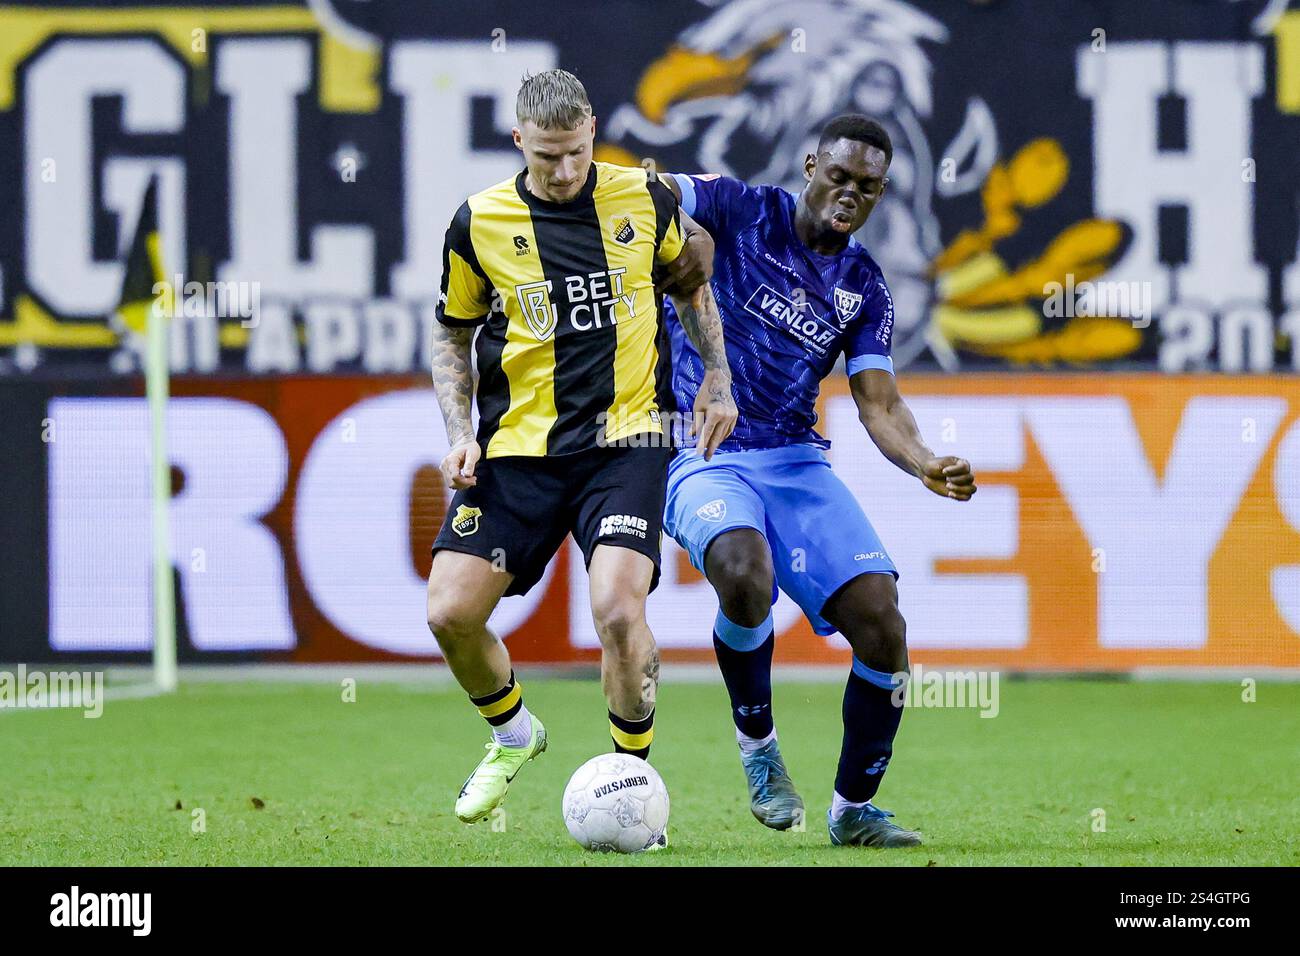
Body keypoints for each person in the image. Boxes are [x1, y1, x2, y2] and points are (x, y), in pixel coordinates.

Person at [426, 69, 736, 830]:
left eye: (575, 153)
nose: (563, 173)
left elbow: (691, 286)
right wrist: (460, 435)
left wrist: (717, 379)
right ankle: (514, 735)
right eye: (546, 158)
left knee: (617, 610)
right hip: (518, 453)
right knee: (449, 614)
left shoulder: (644, 197)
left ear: (592, 129)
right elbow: (452, 334)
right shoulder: (479, 222)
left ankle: (632, 791)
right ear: (518, 142)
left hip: (625, 441)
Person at [659, 114, 977, 847]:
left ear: (882, 193)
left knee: (883, 621)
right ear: (811, 165)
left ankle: (853, 810)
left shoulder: (864, 284)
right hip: (701, 450)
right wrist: (668, 210)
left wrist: (926, 460)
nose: (850, 194)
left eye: (867, 187)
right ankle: (759, 748)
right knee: (744, 571)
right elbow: (651, 190)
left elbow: (879, 404)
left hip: (797, 461)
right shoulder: (741, 208)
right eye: (839, 176)